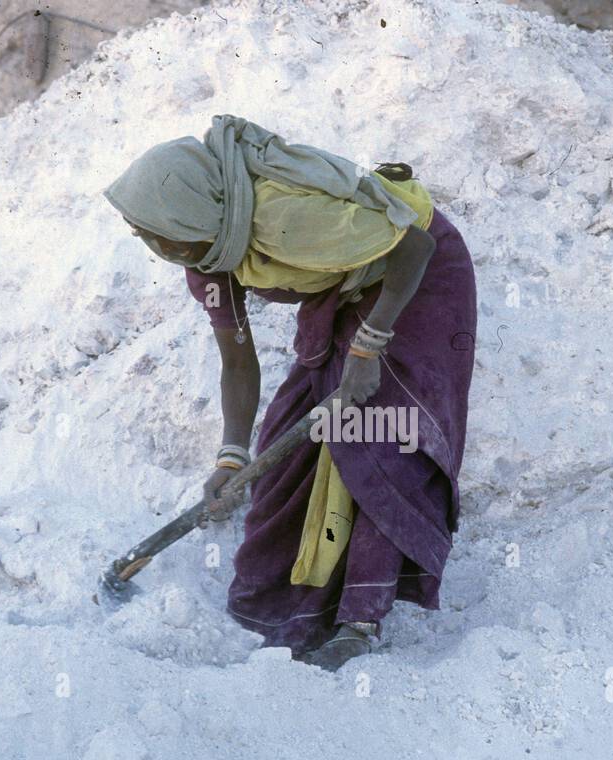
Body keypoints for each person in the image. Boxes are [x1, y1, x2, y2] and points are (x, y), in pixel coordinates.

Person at [104, 115, 477, 670]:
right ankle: (289, 609)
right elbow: (236, 357)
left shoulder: (283, 218)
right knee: (288, 443)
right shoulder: (207, 256)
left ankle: (359, 620)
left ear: (189, 213)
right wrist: (232, 457)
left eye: (150, 228)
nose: (145, 241)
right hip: (349, 288)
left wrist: (368, 348)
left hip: (416, 283)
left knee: (376, 439)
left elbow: (413, 249)